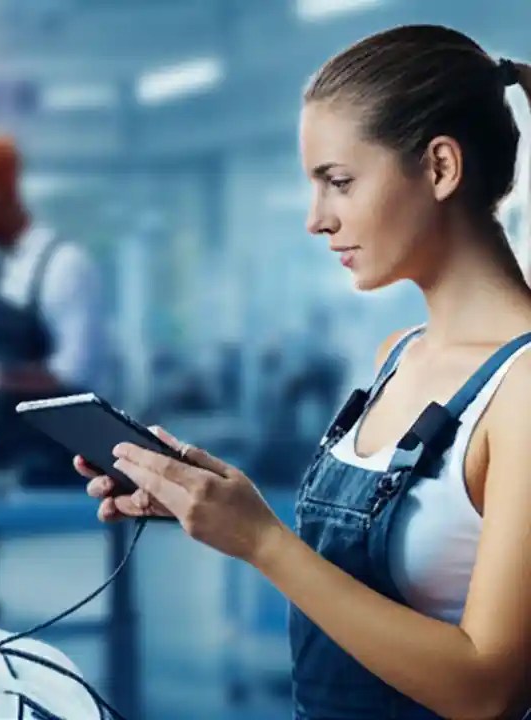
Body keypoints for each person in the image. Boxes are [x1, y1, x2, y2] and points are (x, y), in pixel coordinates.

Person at [77, 27, 531, 719]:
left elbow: (488, 688)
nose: (317, 220)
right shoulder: (398, 354)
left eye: (340, 182)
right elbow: (353, 585)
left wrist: (264, 543)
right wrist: (211, 508)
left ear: (440, 168)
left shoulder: (522, 389)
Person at [0, 137, 105, 620]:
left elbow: (74, 371)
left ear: (0, 205)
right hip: (2, 431)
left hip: (54, 442)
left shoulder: (64, 265)